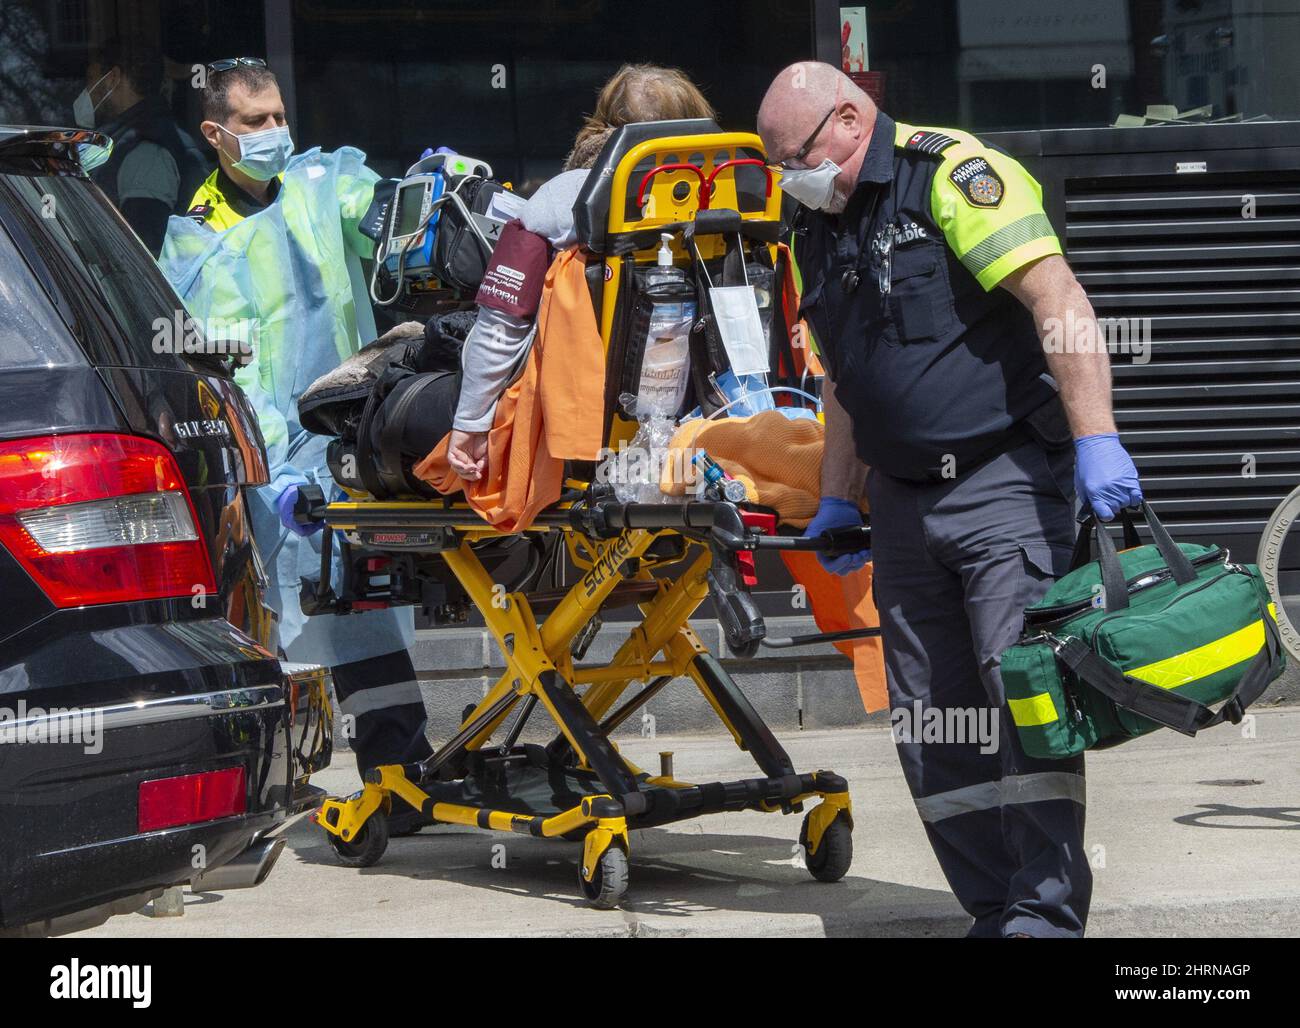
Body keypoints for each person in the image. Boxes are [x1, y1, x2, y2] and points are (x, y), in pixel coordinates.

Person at [758, 62, 1143, 937]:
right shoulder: (813, 221)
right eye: (780, 164)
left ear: (852, 121)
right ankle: (992, 904)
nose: (792, 177)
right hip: (899, 502)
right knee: (936, 718)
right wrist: (837, 497)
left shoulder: (954, 175)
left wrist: (1096, 436)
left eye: (799, 156)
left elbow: (1059, 299)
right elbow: (844, 378)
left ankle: (1045, 913)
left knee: (1025, 704)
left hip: (1001, 480)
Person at [158, 59, 433, 802]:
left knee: (364, 613)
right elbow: (228, 373)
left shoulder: (316, 190)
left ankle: (400, 780)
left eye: (281, 116)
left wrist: (421, 196)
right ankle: (259, 788)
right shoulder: (196, 246)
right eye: (256, 122)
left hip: (347, 445)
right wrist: (265, 471)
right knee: (268, 629)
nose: (277, 132)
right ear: (216, 134)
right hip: (269, 468)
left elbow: (370, 204)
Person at [444, 64, 719, 480]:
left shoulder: (561, 199)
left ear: (603, 122)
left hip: (589, 430)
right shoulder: (735, 190)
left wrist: (469, 423)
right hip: (715, 410)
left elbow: (503, 325)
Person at [75, 38, 210, 254]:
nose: (87, 92)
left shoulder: (146, 151)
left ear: (112, 79)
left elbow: (141, 253)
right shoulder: (130, 141)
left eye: (91, 79)